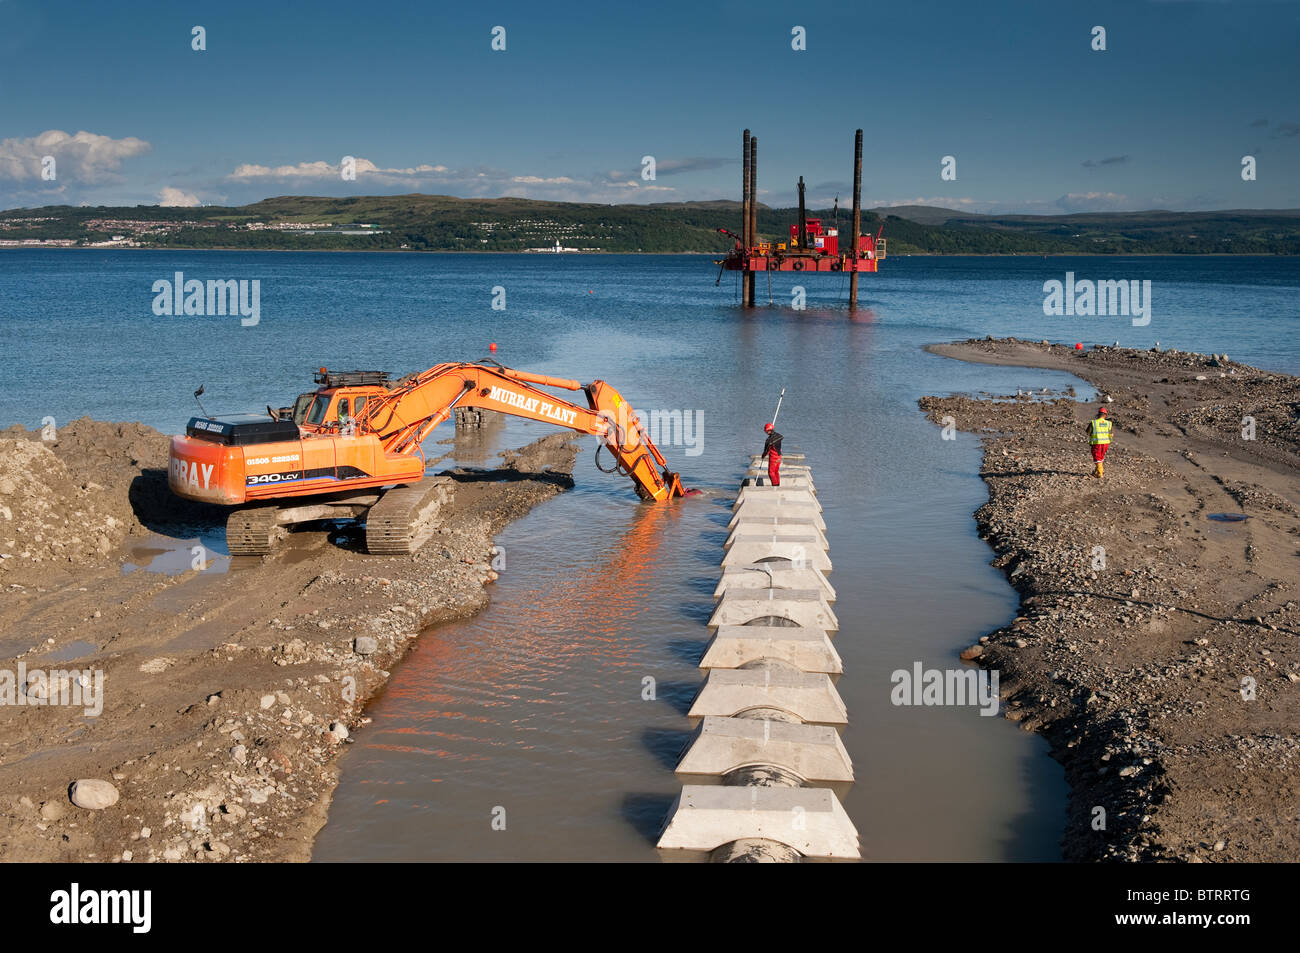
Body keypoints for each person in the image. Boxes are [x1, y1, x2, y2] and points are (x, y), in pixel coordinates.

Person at [1087, 405, 1112, 478]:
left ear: (1098, 414)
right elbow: (1111, 434)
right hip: (1106, 444)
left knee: (1097, 457)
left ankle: (1100, 473)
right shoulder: (1109, 423)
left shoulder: (1094, 423)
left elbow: (1088, 432)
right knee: (1101, 457)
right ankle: (1097, 470)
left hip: (1097, 443)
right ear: (1105, 415)